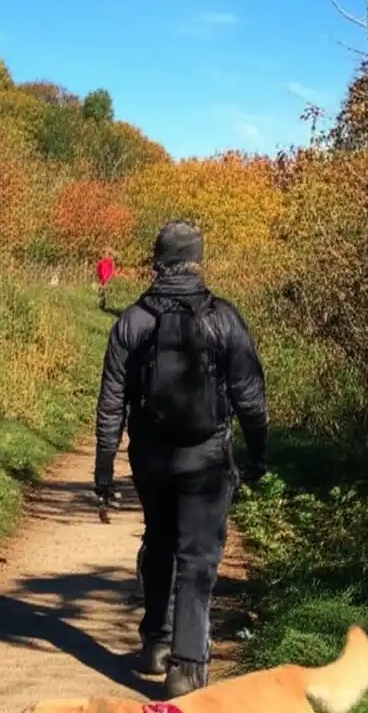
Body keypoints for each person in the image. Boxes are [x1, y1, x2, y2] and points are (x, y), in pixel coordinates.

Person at [93, 220, 268, 697]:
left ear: (156, 261)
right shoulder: (224, 317)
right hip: (207, 459)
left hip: (151, 458)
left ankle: (154, 641)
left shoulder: (131, 321)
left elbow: (112, 403)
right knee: (198, 557)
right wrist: (259, 451)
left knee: (159, 539)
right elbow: (250, 396)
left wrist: (104, 469)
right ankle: (187, 668)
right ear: (198, 260)